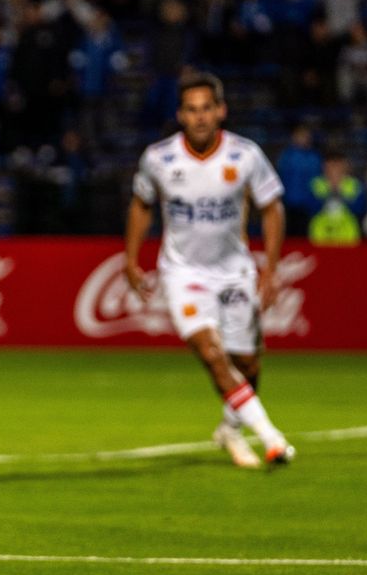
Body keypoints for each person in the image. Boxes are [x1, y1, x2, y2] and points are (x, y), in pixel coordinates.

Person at [125, 71, 294, 469]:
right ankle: (272, 439)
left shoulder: (245, 155)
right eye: (191, 109)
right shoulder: (159, 159)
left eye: (206, 108)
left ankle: (230, 429)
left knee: (247, 363)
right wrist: (130, 259)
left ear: (221, 111)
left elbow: (272, 207)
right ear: (181, 115)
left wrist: (270, 268)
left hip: (235, 271)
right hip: (184, 273)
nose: (199, 117)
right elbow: (141, 204)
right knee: (213, 354)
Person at [304, 152, 367, 246]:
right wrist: (330, 191)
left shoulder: (354, 185)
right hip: (320, 234)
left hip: (348, 235)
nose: (334, 170)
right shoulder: (316, 184)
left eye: (337, 166)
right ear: (325, 167)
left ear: (345, 166)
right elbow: (311, 208)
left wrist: (340, 192)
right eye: (331, 166)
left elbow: (359, 209)